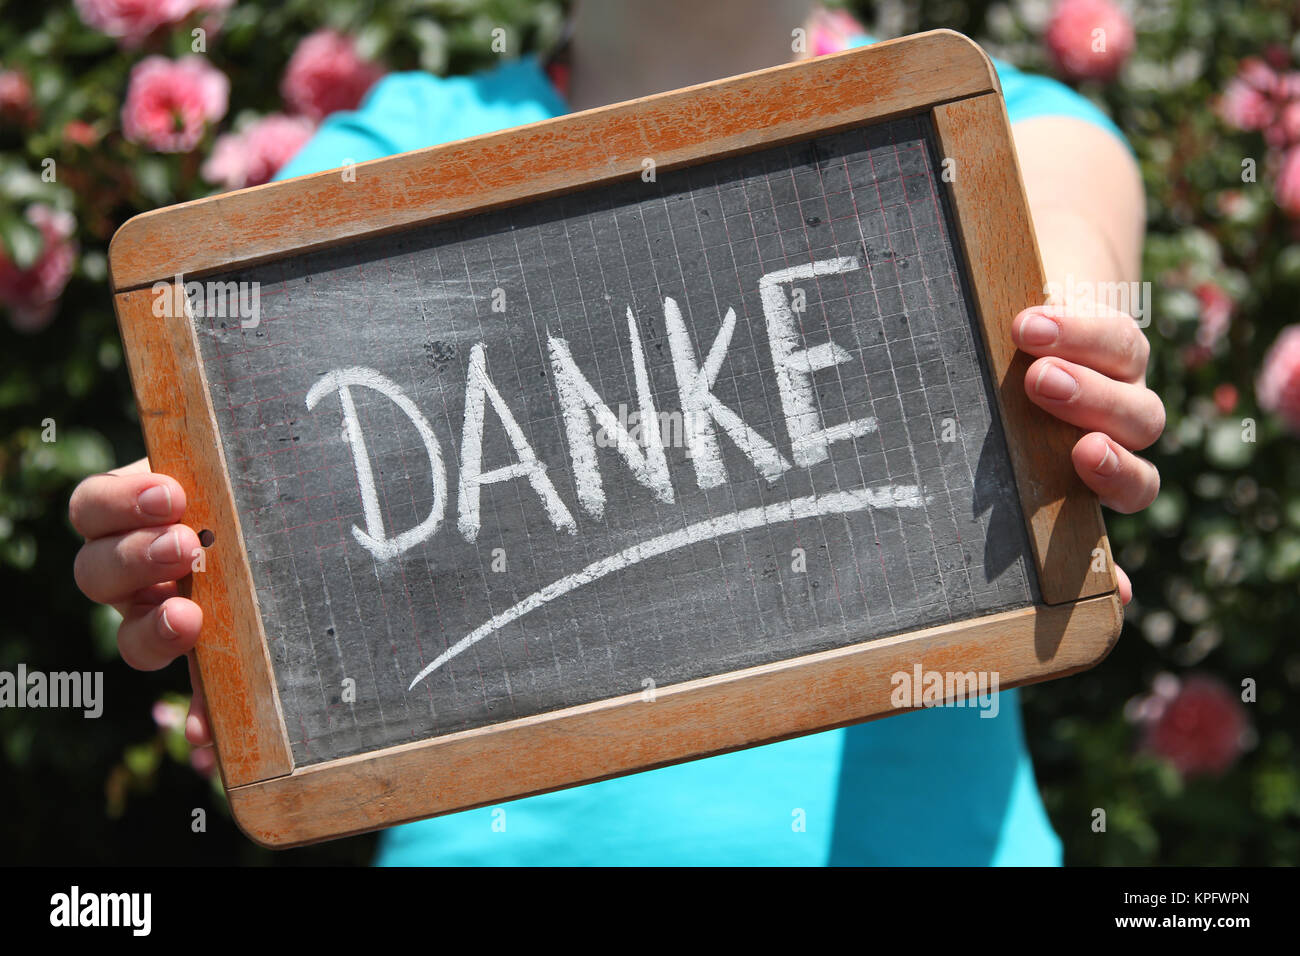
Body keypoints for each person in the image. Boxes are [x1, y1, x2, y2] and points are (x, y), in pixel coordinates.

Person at [70, 1, 1161, 864]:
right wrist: (193, 551)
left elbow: (1064, 243)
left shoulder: (982, 124)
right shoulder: (388, 159)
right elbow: (259, 423)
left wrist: (1061, 373)